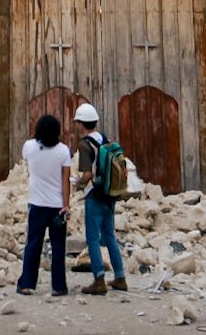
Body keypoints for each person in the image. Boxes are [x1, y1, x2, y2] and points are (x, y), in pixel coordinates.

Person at [73, 102, 126, 294]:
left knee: (93, 239)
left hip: (94, 195)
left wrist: (77, 183)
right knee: (110, 235)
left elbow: (87, 174)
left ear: (80, 124)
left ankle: (99, 280)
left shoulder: (85, 144)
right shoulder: (104, 139)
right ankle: (120, 277)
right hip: (109, 194)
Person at [16, 114, 71, 296]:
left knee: (33, 244)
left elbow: (29, 156)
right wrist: (66, 205)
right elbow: (66, 181)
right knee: (58, 247)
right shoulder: (63, 151)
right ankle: (59, 286)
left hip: (37, 205)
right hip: (57, 207)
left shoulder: (29, 147)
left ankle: (27, 284)